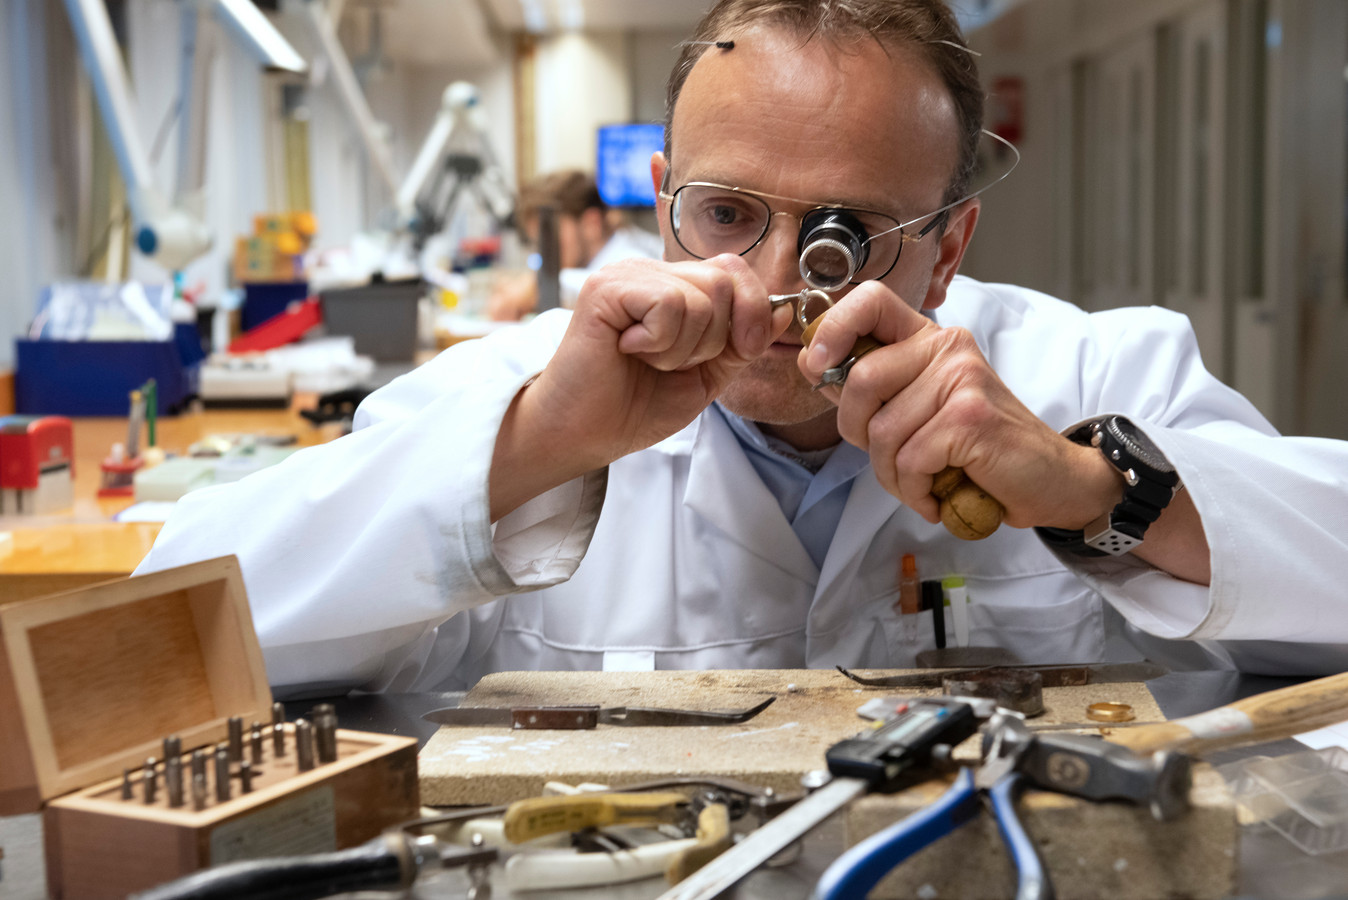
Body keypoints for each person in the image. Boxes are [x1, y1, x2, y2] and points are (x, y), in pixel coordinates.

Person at [138, 0, 1348, 698]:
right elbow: (167, 628)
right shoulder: (520, 390)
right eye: (725, 216)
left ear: (948, 245)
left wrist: (1092, 492)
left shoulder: (1095, 376)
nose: (776, 285)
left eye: (847, 237)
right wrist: (535, 452)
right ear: (663, 199)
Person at [485, 169, 663, 320]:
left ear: (591, 224)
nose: (544, 251)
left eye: (550, 238)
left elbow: (618, 289)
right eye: (537, 243)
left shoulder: (634, 257)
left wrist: (533, 289)